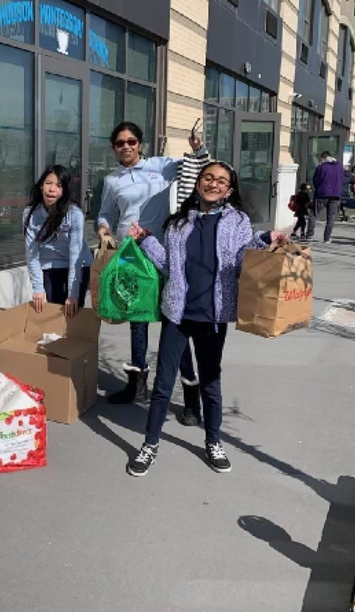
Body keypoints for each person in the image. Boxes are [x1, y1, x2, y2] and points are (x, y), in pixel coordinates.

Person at [125, 161, 288, 476]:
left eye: (222, 181)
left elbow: (241, 260)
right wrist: (146, 240)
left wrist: (265, 238)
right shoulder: (178, 223)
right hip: (177, 313)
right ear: (198, 183)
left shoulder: (237, 221)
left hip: (213, 316)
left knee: (211, 383)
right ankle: (150, 444)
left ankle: (213, 442)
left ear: (229, 190)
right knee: (163, 384)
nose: (214, 184)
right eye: (208, 178)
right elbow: (169, 265)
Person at [96, 121, 204, 412]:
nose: (126, 147)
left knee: (174, 321)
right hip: (129, 256)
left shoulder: (161, 167)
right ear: (114, 148)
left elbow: (196, 168)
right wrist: (104, 229)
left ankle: (191, 397)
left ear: (140, 144)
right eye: (120, 143)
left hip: (161, 252)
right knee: (137, 320)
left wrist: (198, 148)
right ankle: (137, 386)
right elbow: (105, 213)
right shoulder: (112, 180)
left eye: (131, 141)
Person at [24, 165, 94, 317]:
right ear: (41, 185)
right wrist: (38, 288)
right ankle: (57, 341)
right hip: (49, 266)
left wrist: (73, 294)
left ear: (64, 191)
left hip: (77, 266)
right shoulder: (31, 214)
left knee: (73, 313)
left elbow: (76, 253)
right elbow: (32, 253)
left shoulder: (74, 214)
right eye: (48, 183)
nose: (52, 189)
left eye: (59, 185)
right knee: (53, 313)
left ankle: (73, 340)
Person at [306, 151, 346, 242]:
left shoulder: (321, 167)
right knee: (331, 217)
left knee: (314, 214)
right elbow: (342, 179)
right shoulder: (339, 167)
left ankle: (310, 235)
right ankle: (327, 238)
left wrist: (318, 188)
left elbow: (316, 180)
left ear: (323, 158)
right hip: (335, 195)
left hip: (322, 194)